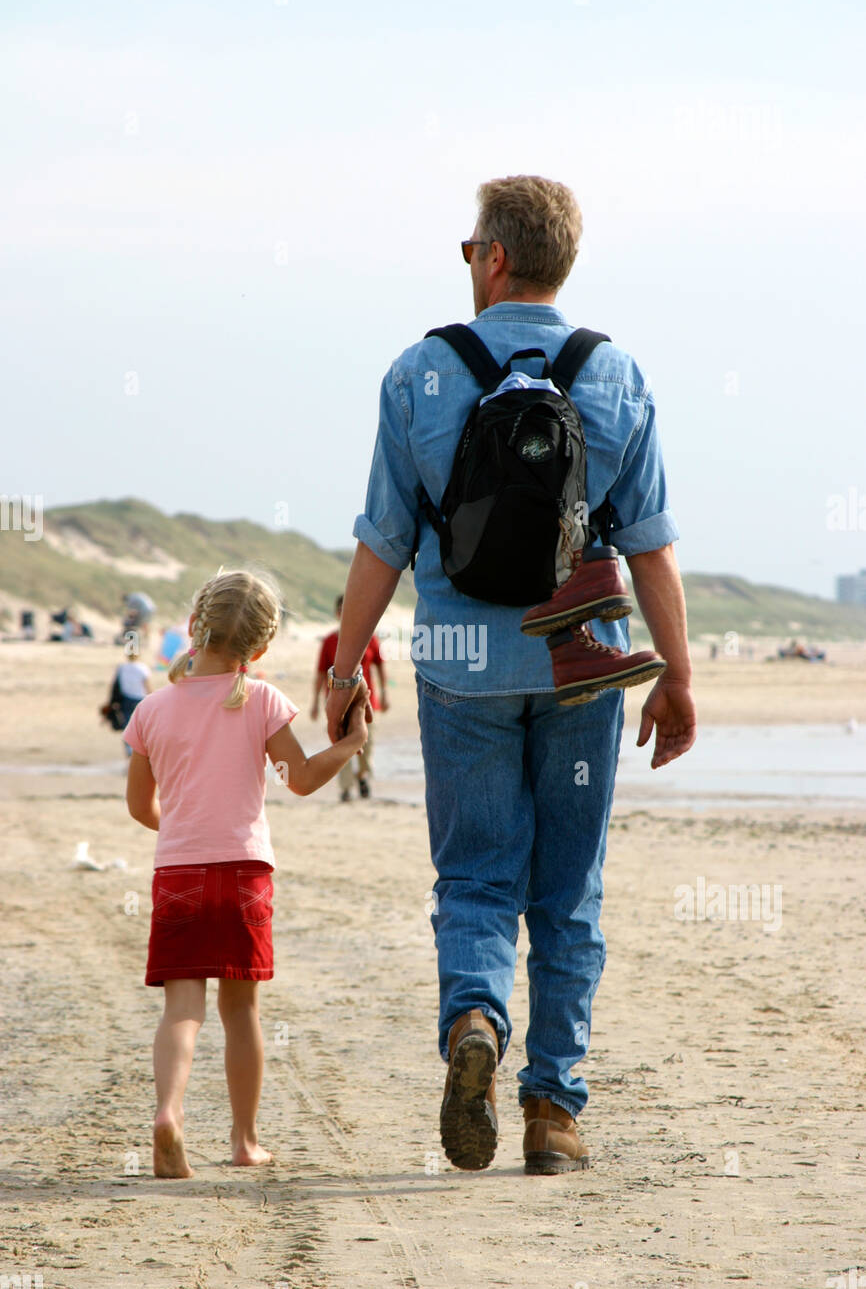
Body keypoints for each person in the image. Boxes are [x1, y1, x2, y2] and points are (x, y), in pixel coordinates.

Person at [326, 175, 697, 1175]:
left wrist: (346, 654)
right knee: (567, 894)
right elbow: (651, 546)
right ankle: (552, 1113)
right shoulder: (613, 374)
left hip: (458, 669)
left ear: (490, 258)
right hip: (579, 665)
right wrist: (676, 676)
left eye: (466, 250)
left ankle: (474, 1024)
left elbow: (383, 542)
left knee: (476, 879)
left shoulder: (420, 373)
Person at [123, 569, 369, 1178]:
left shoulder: (152, 710)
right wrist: (352, 743)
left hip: (177, 870)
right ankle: (244, 1141)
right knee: (242, 1011)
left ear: (191, 629)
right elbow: (304, 779)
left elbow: (139, 806)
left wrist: (184, 828)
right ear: (260, 650)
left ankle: (168, 1114)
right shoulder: (261, 700)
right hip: (244, 875)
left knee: (181, 1008)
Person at [311, 595, 388, 800]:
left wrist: (385, 694)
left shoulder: (370, 638)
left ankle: (362, 776)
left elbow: (380, 667)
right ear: (337, 614)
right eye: (342, 611)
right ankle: (345, 788)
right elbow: (320, 673)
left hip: (367, 702)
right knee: (340, 745)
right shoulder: (329, 642)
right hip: (338, 703)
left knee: (367, 744)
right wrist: (315, 703)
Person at [108, 645, 153, 756]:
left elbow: (115, 684)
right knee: (141, 726)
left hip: (126, 699)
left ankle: (129, 750)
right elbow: (147, 685)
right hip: (140, 699)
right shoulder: (142, 667)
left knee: (128, 725)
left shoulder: (122, 667)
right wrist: (152, 698)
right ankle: (140, 750)